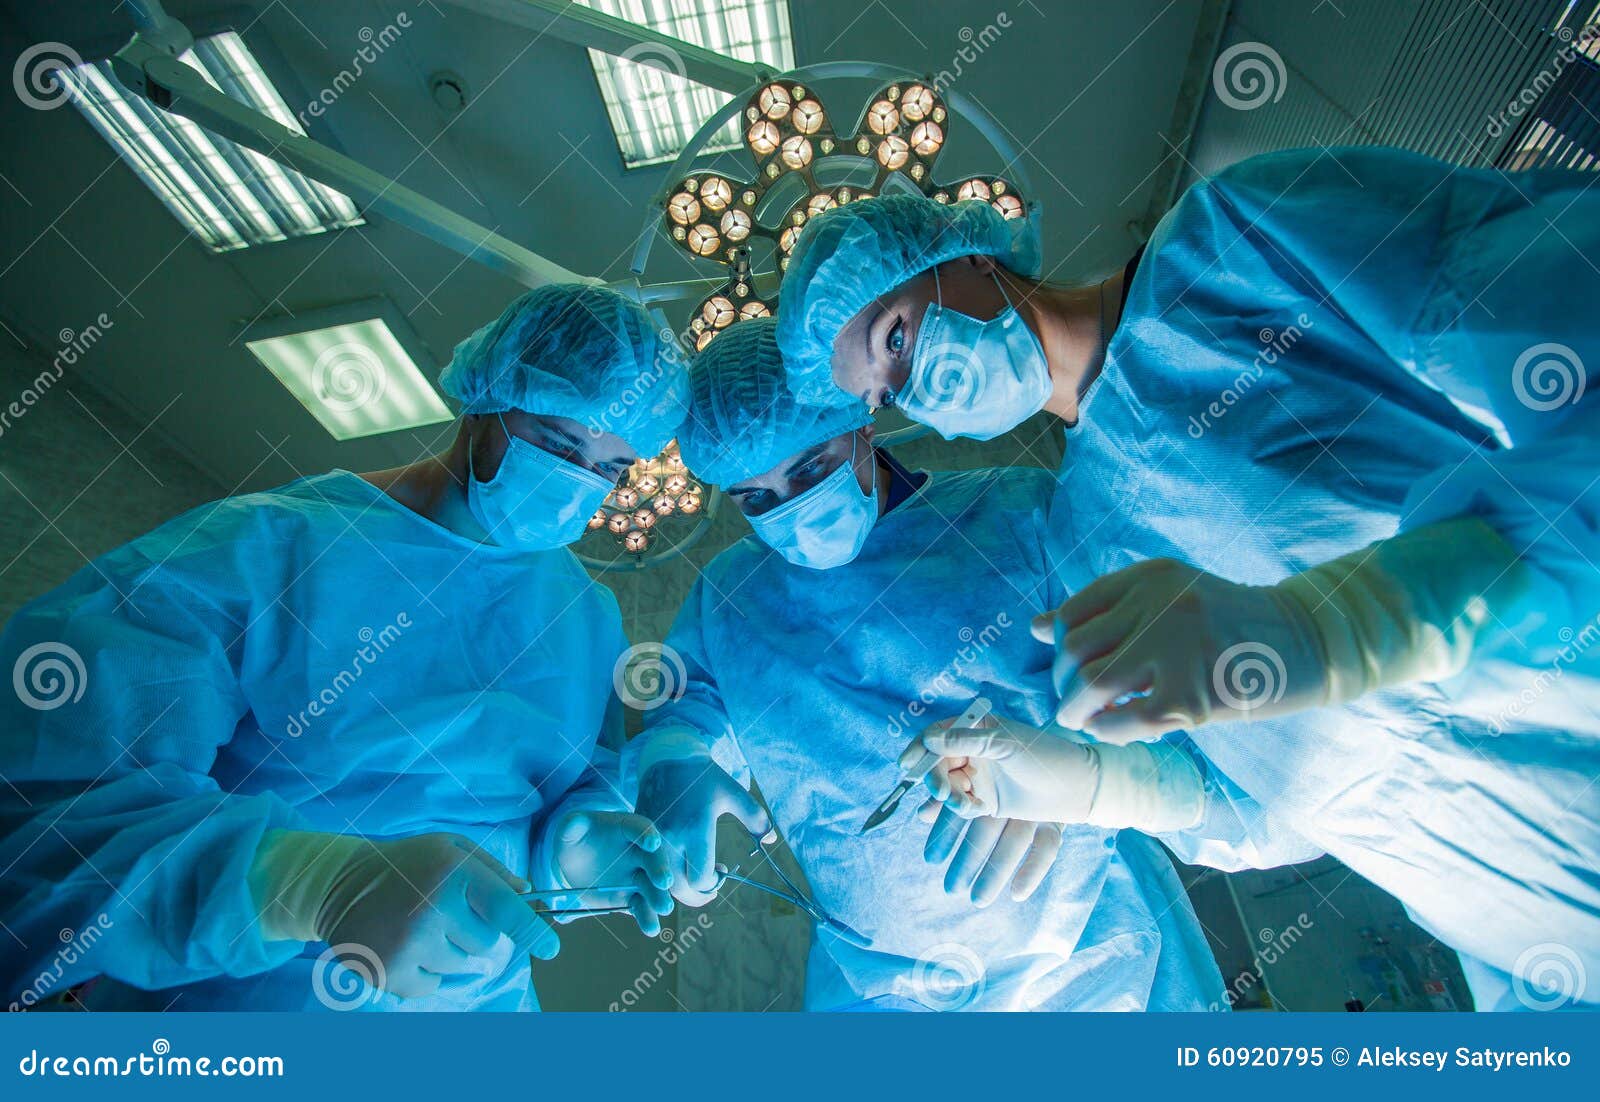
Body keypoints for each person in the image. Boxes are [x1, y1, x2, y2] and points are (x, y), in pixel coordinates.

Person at [776, 147, 1600, 1009]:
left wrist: (1339, 629)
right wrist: (1098, 785)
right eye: (887, 397)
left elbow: (1569, 327)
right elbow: (1262, 812)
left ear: (966, 255)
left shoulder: (1232, 251)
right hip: (1514, 909)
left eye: (897, 338)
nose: (915, 390)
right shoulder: (1077, 544)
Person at [0, 283, 682, 1012]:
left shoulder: (584, 614)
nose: (578, 481)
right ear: (487, 399)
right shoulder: (265, 550)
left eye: (611, 468)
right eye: (558, 443)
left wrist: (570, 852)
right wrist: (312, 886)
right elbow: (49, 821)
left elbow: (577, 784)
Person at [626, 316, 1226, 1011]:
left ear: (862, 419)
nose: (791, 508)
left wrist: (1077, 775)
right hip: (881, 990)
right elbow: (684, 701)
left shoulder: (1017, 512)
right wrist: (673, 756)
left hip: (1090, 954)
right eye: (754, 498)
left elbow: (1169, 710)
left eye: (810, 467)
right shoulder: (729, 597)